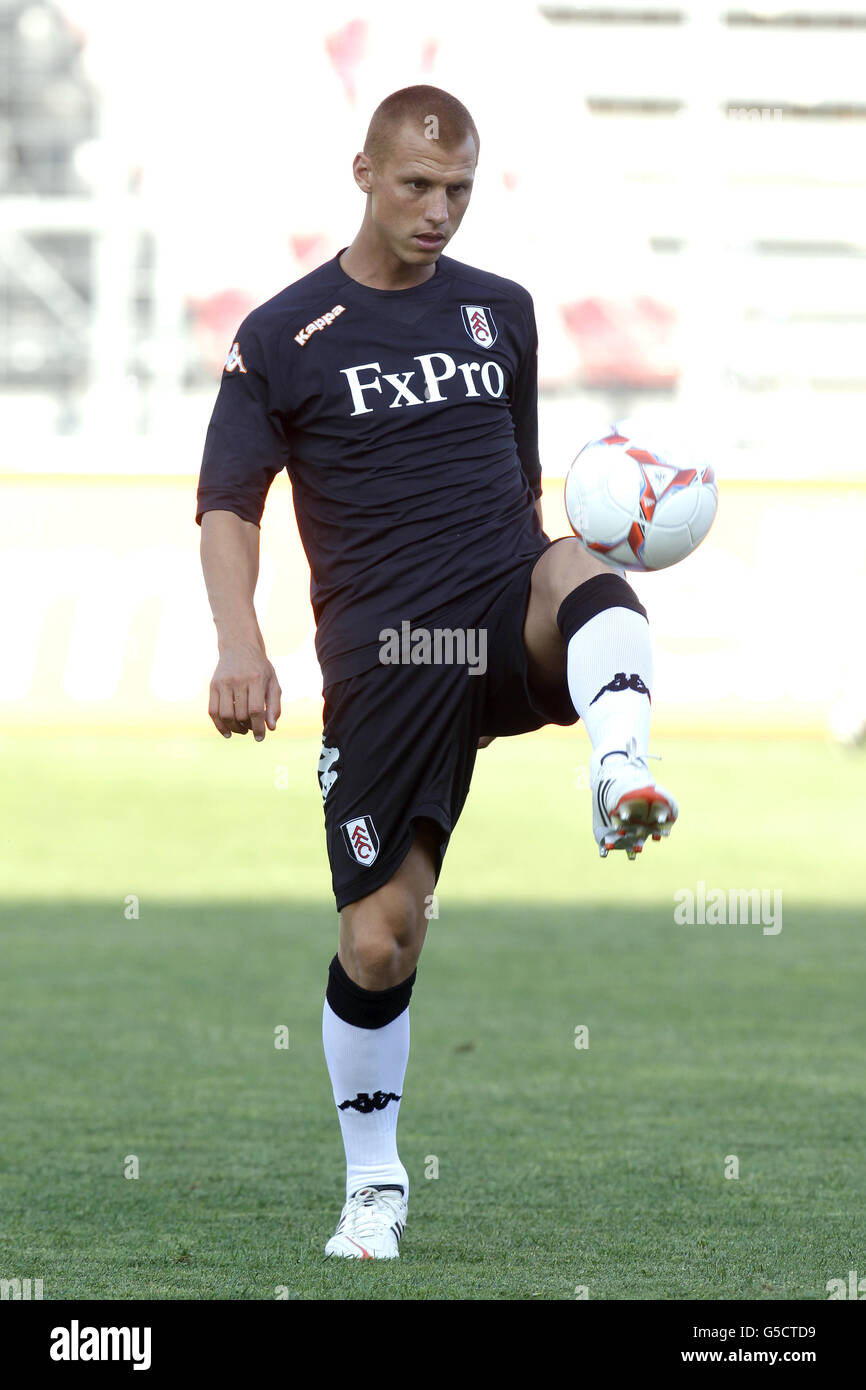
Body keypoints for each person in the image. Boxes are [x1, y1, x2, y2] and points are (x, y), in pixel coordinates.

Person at [196, 84, 676, 1260]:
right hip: (389, 658)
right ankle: (374, 1184)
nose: (437, 210)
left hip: (499, 605)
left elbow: (519, 486)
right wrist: (240, 641)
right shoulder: (282, 337)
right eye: (416, 185)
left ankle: (618, 770)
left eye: (456, 189)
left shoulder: (498, 312)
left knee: (579, 561)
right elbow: (228, 503)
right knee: (380, 941)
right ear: (362, 172)